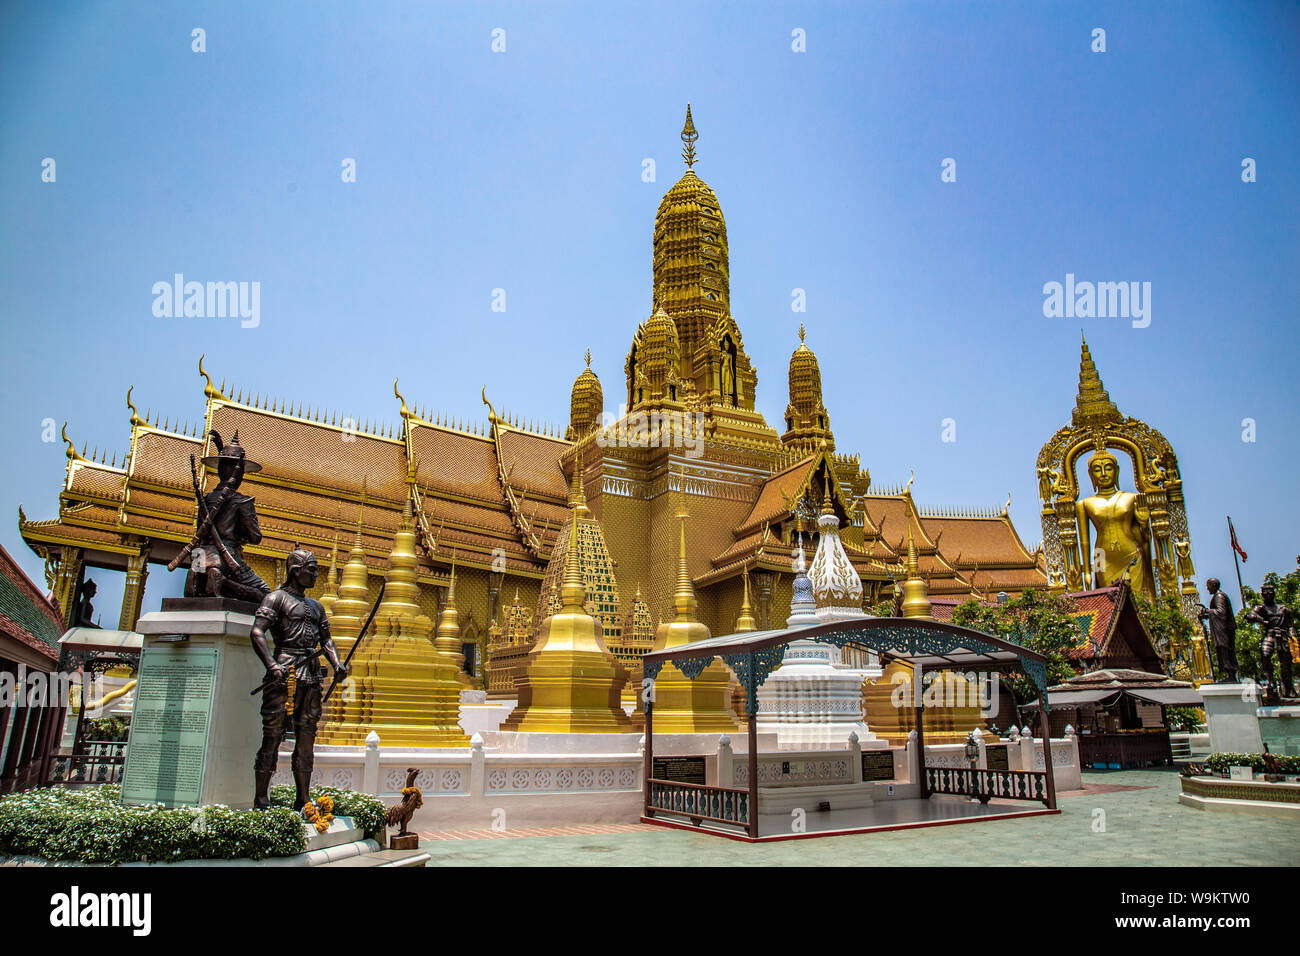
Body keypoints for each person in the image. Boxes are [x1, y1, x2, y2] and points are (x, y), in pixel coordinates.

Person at [248, 549, 348, 810]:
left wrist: (337, 664)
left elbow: (326, 640)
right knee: (272, 736)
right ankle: (261, 798)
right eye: (311, 569)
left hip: (311, 674)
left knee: (306, 739)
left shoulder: (316, 606)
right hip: (285, 670)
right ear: (295, 570)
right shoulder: (275, 599)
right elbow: (257, 631)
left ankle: (303, 797)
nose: (316, 574)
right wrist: (271, 664)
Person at [1247, 582, 1294, 700]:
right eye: (1265, 593)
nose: (1268, 595)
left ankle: (1289, 688)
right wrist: (1261, 620)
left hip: (1282, 636)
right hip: (1270, 634)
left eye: (1270, 593)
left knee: (1285, 664)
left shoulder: (1283, 609)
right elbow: (1250, 615)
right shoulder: (1261, 608)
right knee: (1265, 655)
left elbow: (1290, 625)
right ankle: (1271, 682)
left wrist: (1292, 634)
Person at [1197, 578, 1239, 682]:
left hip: (1223, 631)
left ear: (1214, 585)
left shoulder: (1219, 596)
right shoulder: (1218, 596)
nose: (1207, 588)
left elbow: (1220, 612)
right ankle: (1229, 674)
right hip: (1221, 630)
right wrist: (1206, 614)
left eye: (1208, 586)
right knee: (1223, 651)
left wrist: (1207, 610)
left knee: (1225, 651)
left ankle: (1231, 674)